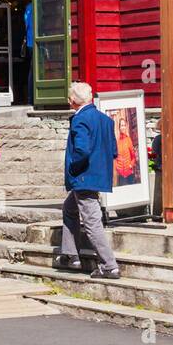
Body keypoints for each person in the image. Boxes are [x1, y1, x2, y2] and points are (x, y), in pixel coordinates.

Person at [56, 82, 120, 279]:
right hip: (97, 176)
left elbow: (81, 150)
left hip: (83, 177)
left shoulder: (80, 119)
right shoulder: (105, 120)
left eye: (69, 98)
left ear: (73, 101)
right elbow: (114, 151)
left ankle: (109, 266)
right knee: (69, 209)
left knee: (92, 222)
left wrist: (73, 169)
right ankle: (70, 255)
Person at [114, 112, 137, 184]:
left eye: (124, 125)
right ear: (119, 127)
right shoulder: (117, 141)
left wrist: (130, 165)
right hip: (121, 174)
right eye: (121, 125)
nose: (123, 127)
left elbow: (133, 156)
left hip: (129, 173)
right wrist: (117, 167)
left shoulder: (128, 140)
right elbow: (115, 157)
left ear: (126, 126)